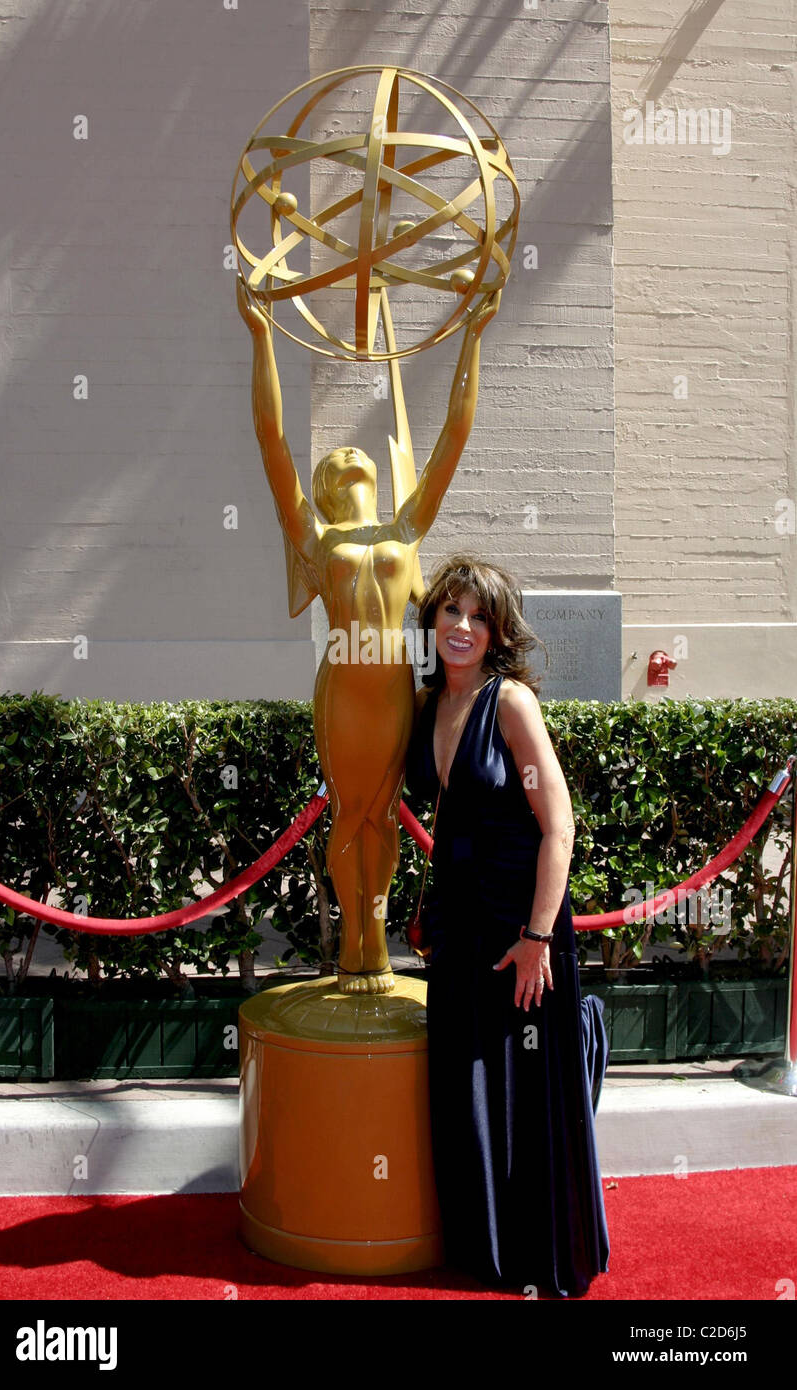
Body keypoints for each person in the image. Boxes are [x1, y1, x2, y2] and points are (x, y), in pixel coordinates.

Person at [236, 275, 500, 993]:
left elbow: (455, 433)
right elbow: (271, 440)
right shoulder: (315, 538)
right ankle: (351, 944)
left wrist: (472, 335)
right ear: (323, 487)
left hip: (393, 686)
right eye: (334, 461)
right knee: (350, 812)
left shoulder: (405, 526)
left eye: (356, 455)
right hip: (344, 689)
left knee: (384, 814)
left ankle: (373, 944)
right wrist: (262, 336)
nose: (349, 457)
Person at [405, 554, 610, 1298]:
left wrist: (535, 939)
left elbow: (559, 828)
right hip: (456, 921)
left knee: (527, 1080)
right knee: (468, 1078)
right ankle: (481, 1246)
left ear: (497, 633)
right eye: (450, 611)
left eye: (478, 616)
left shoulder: (510, 702)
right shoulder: (426, 704)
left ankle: (537, 1252)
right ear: (430, 620)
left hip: (521, 923)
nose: (462, 626)